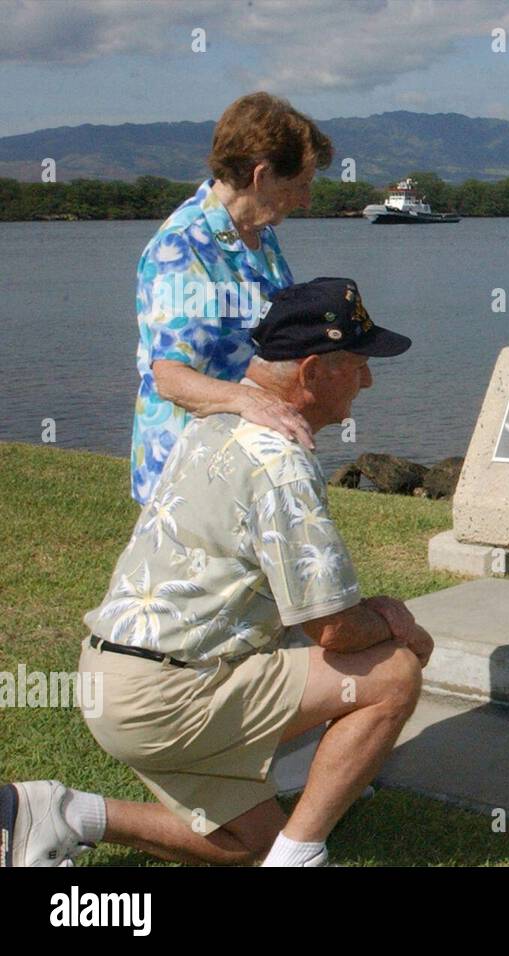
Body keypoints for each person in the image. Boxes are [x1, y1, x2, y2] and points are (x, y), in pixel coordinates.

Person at [3, 278, 426, 867]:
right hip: (173, 695)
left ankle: (63, 812)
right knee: (392, 673)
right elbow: (333, 628)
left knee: (252, 846)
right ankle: (301, 858)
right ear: (311, 372)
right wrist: (394, 619)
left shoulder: (210, 424)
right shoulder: (280, 461)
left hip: (111, 679)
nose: (369, 380)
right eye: (358, 364)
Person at [131, 92, 332, 507]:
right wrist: (250, 399)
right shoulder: (184, 246)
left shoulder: (261, 235)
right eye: (300, 185)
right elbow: (170, 376)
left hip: (243, 462)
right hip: (189, 475)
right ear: (261, 176)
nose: (306, 200)